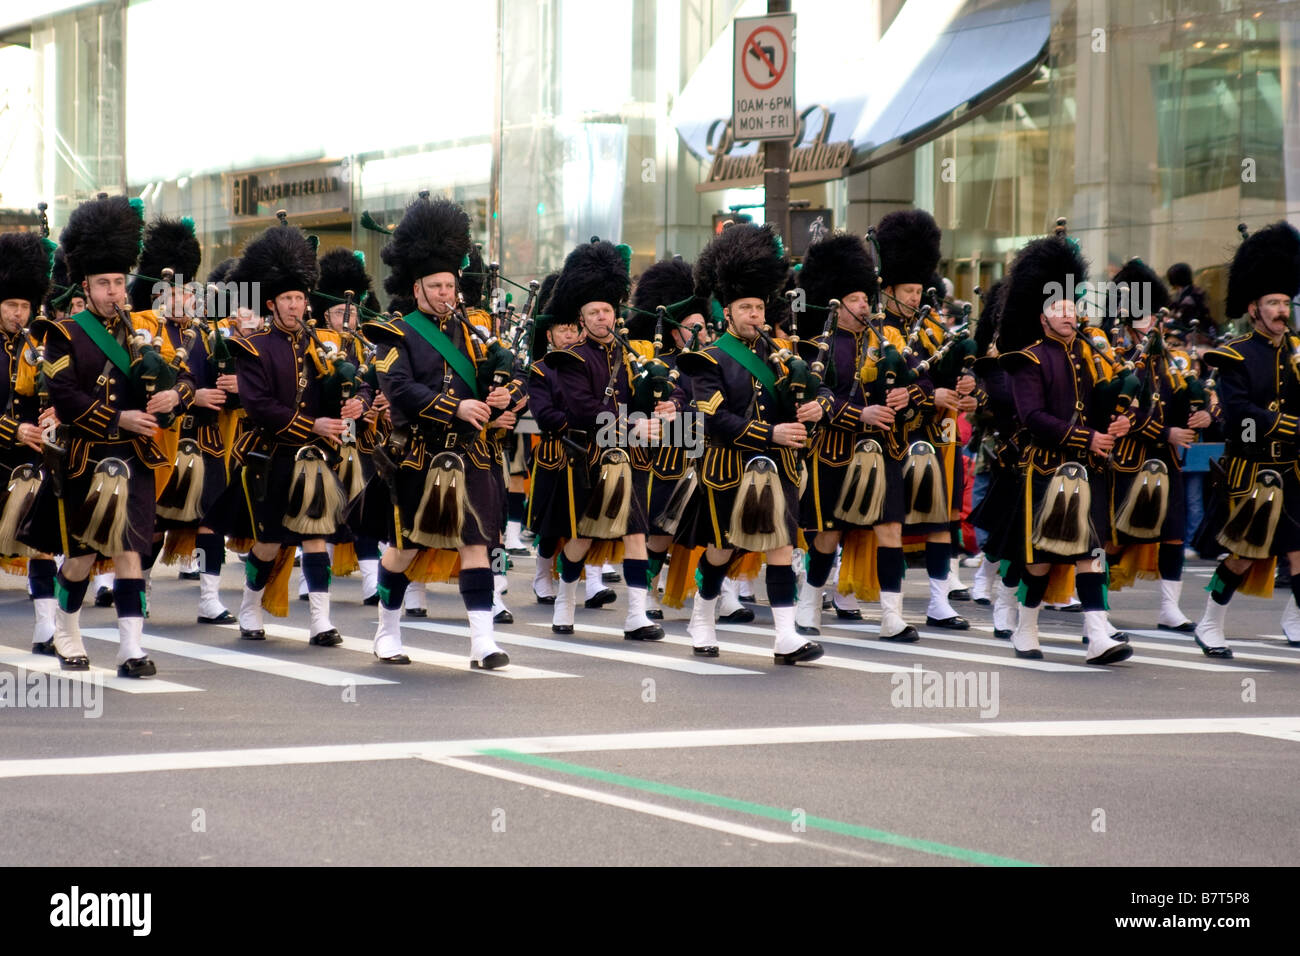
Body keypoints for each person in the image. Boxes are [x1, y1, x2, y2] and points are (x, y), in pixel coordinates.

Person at [20, 194, 195, 676]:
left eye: (119, 283)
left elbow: (183, 376)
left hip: (135, 458)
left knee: (131, 552)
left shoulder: (148, 328)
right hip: (87, 459)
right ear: (86, 285)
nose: (114, 292)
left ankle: (130, 650)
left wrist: (173, 397)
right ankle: (66, 629)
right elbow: (67, 395)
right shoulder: (63, 333)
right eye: (104, 284)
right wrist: (120, 419)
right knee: (80, 557)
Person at [349, 194, 517, 667]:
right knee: (405, 549)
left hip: (473, 457)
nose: (445, 293)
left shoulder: (476, 334)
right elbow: (398, 390)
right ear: (417, 288)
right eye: (436, 286)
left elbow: (515, 376)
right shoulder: (395, 332)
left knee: (477, 544)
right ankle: (386, 630)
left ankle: (483, 642)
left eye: (450, 284)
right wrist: (455, 406)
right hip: (418, 457)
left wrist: (505, 398)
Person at [676, 221, 828, 663]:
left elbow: (820, 391)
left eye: (759, 308)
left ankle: (785, 637)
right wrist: (772, 433)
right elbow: (715, 418)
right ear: (728, 312)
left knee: (781, 547)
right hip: (728, 471)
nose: (755, 316)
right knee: (722, 550)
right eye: (745, 308)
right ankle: (702, 617)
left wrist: (819, 407)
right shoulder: (707, 358)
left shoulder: (784, 354)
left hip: (778, 468)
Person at [226, 216, 367, 648]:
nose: (294, 305)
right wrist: (313, 424)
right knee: (269, 542)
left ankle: (320, 622)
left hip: (318, 458)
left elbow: (351, 381)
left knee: (317, 536)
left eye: (300, 297)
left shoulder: (322, 342)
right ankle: (250, 605)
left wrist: (355, 399)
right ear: (271, 304)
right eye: (286, 298)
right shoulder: (253, 347)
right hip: (275, 457)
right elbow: (260, 406)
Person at [996, 232, 1133, 664]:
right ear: (1042, 317)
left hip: (1087, 469)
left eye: (1072, 305)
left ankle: (1096, 636)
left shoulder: (1091, 354)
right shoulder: (1028, 360)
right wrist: (1086, 437)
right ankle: (1026, 627)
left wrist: (1118, 421)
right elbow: (1033, 418)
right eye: (1059, 307)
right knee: (1040, 560)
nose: (1069, 314)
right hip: (1047, 469)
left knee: (1089, 552)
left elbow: (1099, 404)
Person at [542, 239, 664, 642]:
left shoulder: (631, 354)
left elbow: (655, 394)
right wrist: (633, 424)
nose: (601, 318)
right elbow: (583, 410)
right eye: (593, 312)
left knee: (635, 533)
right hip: (589, 459)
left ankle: (636, 615)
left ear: (616, 312)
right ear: (581, 316)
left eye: (607, 311)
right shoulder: (570, 357)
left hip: (631, 460)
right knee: (584, 536)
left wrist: (664, 401)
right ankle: (564, 598)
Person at [1195, 221, 1300, 656]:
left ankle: (1294, 619)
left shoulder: (1296, 353)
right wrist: (1292, 425)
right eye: (1272, 303)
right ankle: (1209, 623)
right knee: (1244, 555)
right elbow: (1239, 417)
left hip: (1293, 469)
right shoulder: (1234, 355)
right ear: (1254, 309)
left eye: (1285, 303)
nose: (1281, 311)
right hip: (1252, 470)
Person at [1101, 259, 1212, 632]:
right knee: (1116, 536)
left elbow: (1188, 402)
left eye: (1155, 315)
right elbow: (1119, 413)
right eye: (1145, 315)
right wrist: (1167, 433)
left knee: (1173, 533)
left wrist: (1204, 415)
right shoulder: (1116, 356)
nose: (1153, 322)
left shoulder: (1176, 360)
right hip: (1126, 461)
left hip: (1167, 463)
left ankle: (1169, 609)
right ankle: (1094, 605)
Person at [791, 231, 887, 636]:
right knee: (828, 533)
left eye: (866, 298)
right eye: (856, 299)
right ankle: (809, 603)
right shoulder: (819, 345)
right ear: (837, 304)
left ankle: (888, 610)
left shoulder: (882, 342)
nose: (865, 304)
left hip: (872, 453)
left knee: (871, 529)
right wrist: (861, 416)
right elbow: (820, 398)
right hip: (829, 451)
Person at [626, 256, 709, 622]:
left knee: (711, 531)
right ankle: (646, 592)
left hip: (704, 456)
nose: (702, 333)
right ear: (674, 331)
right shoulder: (656, 360)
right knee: (659, 528)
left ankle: (715, 593)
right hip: (663, 458)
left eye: (704, 326)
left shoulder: (713, 359)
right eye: (693, 327)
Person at [0, 230, 60, 653]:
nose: (19, 314)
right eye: (11, 305)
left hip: (33, 458)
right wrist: (12, 430)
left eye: (24, 306)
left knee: (40, 544)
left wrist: (55, 412)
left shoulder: (40, 346)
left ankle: (46, 629)